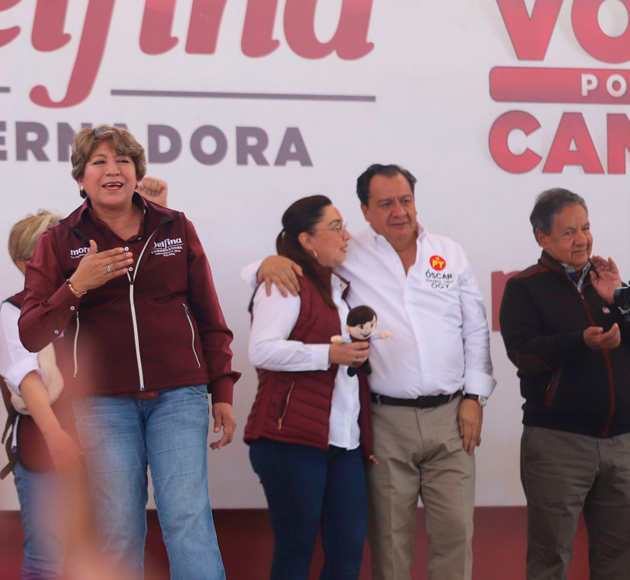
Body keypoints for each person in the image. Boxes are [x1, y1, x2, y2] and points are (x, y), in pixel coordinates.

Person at [18, 125, 240, 580]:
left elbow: (209, 314)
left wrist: (222, 390)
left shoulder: (175, 226)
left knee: (188, 518)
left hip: (180, 395)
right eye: (98, 162)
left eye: (123, 160)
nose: (112, 170)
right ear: (81, 179)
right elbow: (31, 333)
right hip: (102, 402)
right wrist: (77, 285)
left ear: (137, 173)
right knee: (117, 529)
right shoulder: (58, 240)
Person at [257, 164, 495, 580]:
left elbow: (475, 328)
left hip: (452, 417)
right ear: (365, 211)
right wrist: (266, 263)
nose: (399, 211)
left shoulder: (449, 252)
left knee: (455, 537)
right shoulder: (349, 252)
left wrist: (475, 397)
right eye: (385, 204)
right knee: (389, 544)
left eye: (405, 200)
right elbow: (298, 263)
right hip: (385, 419)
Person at [499, 188, 630, 580]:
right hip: (558, 444)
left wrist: (621, 297)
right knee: (551, 559)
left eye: (585, 228)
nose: (583, 239)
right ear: (542, 237)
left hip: (622, 443)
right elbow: (523, 353)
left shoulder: (609, 283)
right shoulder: (524, 287)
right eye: (569, 232)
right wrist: (580, 342)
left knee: (620, 560)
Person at [243, 195, 371, 579]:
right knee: (295, 552)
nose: (347, 236)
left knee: (347, 555)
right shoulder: (285, 282)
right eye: (336, 227)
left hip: (345, 443)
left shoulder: (338, 288)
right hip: (290, 439)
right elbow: (261, 350)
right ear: (306, 240)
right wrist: (328, 354)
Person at [0, 210, 81, 580]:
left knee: (107, 549)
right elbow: (25, 375)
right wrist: (55, 436)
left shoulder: (90, 300)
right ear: (24, 264)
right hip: (43, 444)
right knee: (47, 557)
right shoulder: (14, 309)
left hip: (103, 438)